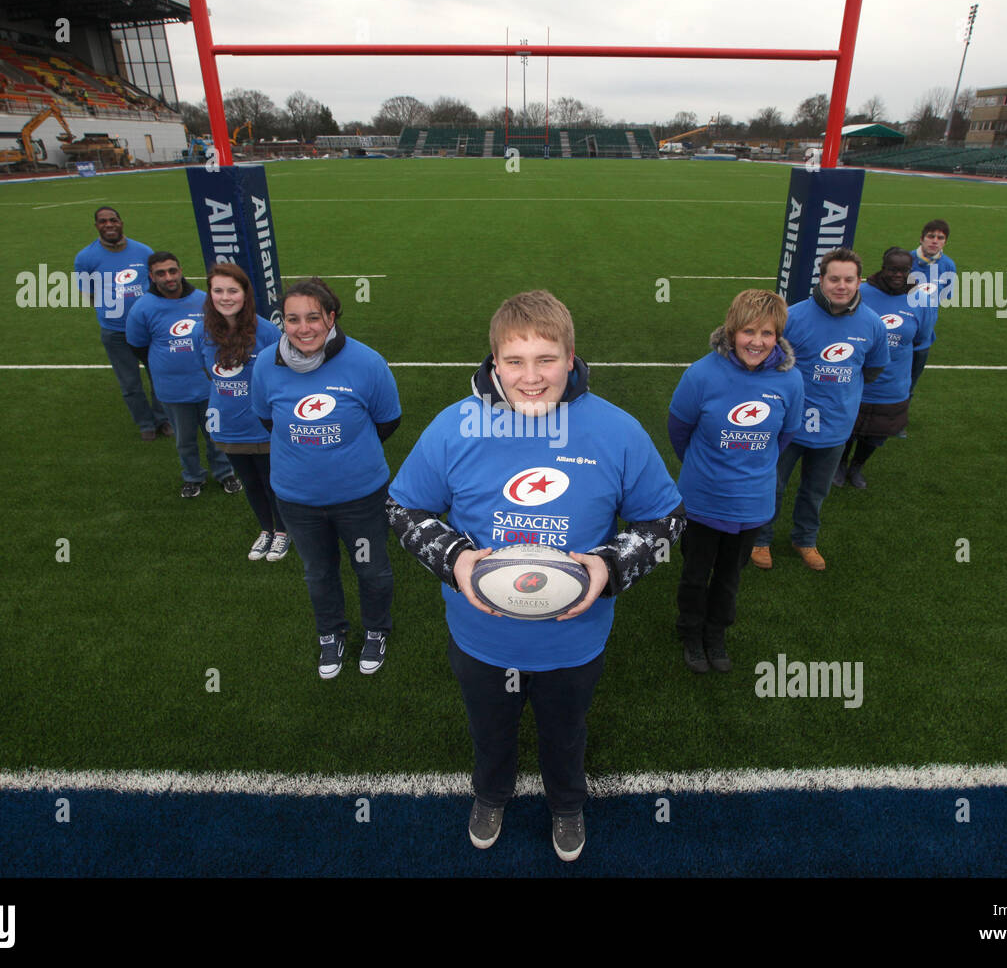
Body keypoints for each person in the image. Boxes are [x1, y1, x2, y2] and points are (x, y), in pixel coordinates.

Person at [387, 290, 684, 862]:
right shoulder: (456, 426)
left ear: (570, 358)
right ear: (494, 362)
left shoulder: (616, 430)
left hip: (574, 640)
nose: (530, 377)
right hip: (480, 637)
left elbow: (666, 518)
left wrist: (608, 565)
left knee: (565, 732)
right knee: (490, 730)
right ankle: (491, 794)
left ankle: (567, 804)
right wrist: (455, 559)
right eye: (514, 361)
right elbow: (404, 509)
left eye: (546, 359)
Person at [251, 277, 401, 678]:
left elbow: (388, 421)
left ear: (331, 318)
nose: (303, 328)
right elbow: (268, 419)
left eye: (313, 317)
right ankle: (330, 634)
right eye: (293, 319)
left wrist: (344, 459)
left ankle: (375, 630)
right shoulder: (266, 363)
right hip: (297, 500)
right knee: (318, 572)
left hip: (360, 498)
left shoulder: (367, 362)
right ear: (282, 321)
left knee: (371, 569)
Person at [669, 289, 803, 673]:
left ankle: (716, 632)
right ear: (731, 331)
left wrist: (751, 468)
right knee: (695, 574)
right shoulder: (701, 374)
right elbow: (680, 430)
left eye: (767, 333)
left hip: (752, 503)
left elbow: (785, 436)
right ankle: (690, 632)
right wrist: (705, 467)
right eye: (748, 332)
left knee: (729, 577)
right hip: (702, 499)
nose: (757, 342)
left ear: (778, 336)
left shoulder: (790, 381)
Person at [751, 248, 889, 572]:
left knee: (816, 490)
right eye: (834, 278)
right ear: (822, 279)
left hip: (836, 425)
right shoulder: (793, 317)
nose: (841, 285)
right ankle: (761, 538)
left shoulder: (872, 324)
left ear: (859, 282)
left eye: (849, 279)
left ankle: (805, 539)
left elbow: (872, 369)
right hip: (789, 424)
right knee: (773, 485)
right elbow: (771, 367)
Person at [126, 252, 239, 498]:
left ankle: (225, 473)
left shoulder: (204, 300)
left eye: (172, 271)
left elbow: (222, 336)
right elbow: (137, 346)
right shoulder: (142, 307)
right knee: (184, 440)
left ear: (180, 270)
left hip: (209, 387)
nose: (168, 277)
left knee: (216, 435)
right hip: (172, 390)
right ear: (151, 277)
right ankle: (193, 476)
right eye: (161, 273)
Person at [197, 263, 285, 558]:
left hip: (262, 424)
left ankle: (283, 531)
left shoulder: (268, 331)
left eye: (232, 290)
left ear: (245, 293)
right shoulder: (203, 330)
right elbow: (209, 373)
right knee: (250, 482)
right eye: (218, 290)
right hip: (226, 423)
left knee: (272, 481)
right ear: (210, 294)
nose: (225, 297)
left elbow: (279, 377)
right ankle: (265, 529)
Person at [833, 249, 930, 489]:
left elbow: (921, 340)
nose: (898, 275)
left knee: (877, 433)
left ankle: (857, 466)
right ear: (882, 267)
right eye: (892, 269)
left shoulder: (920, 299)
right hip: (857, 378)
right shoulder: (862, 293)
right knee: (849, 428)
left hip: (893, 383)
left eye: (904, 270)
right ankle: (840, 464)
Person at [73, 206, 169, 440]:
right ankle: (145, 423)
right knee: (129, 384)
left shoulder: (143, 251)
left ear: (121, 222)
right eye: (103, 221)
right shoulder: (85, 258)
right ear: (96, 226)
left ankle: (163, 419)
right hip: (115, 332)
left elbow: (157, 287)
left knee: (159, 376)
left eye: (113, 220)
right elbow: (89, 293)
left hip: (148, 330)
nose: (109, 225)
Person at [905, 218, 952, 422]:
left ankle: (899, 422)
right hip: (900, 333)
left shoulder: (948, 265)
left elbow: (945, 296)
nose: (935, 241)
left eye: (940, 238)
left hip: (924, 338)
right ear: (922, 238)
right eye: (931, 236)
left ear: (945, 242)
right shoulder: (905, 260)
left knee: (911, 383)